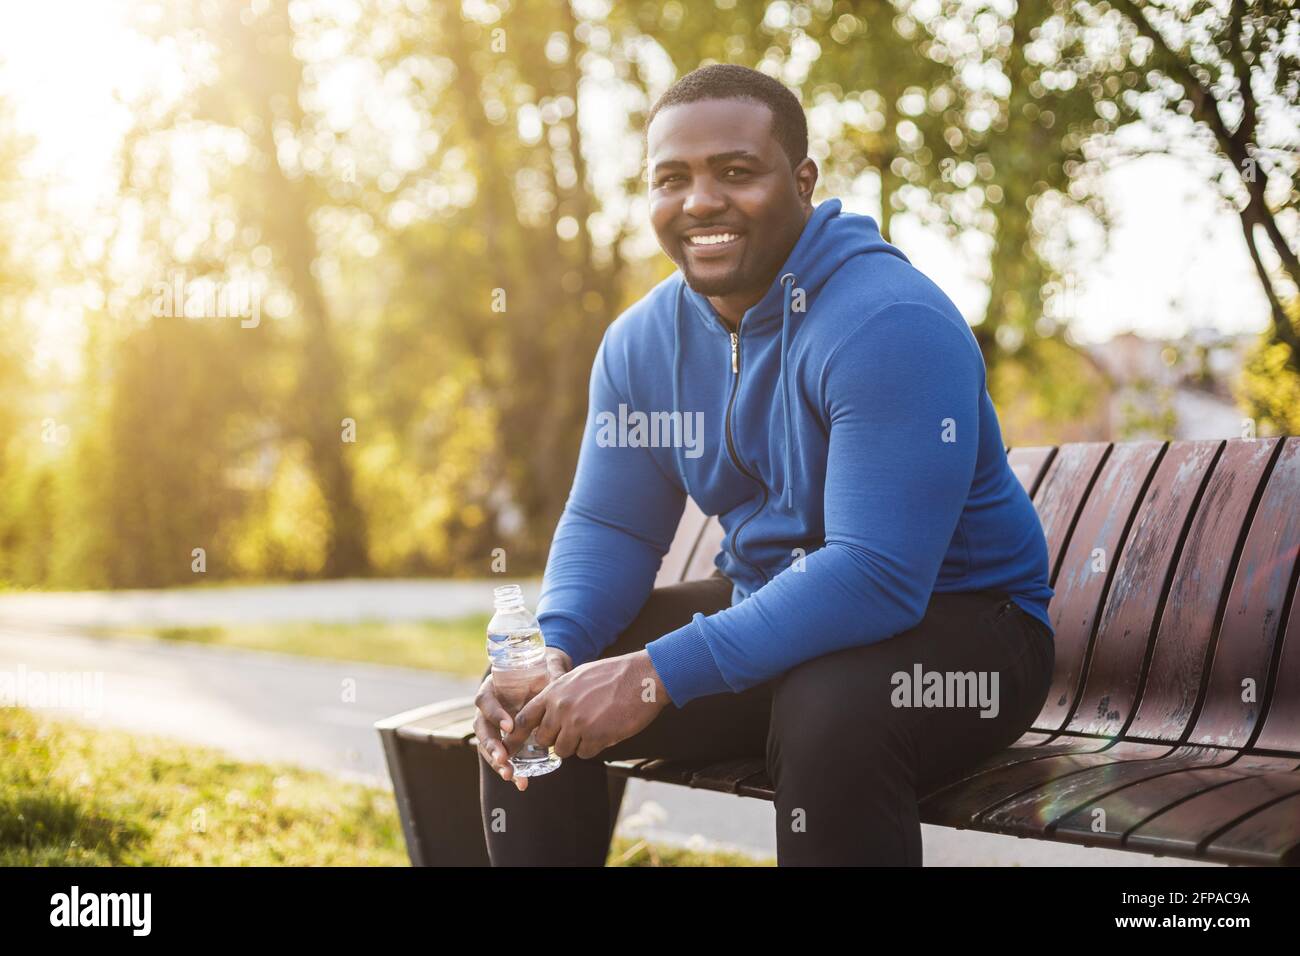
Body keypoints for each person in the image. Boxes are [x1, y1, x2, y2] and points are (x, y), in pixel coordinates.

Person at [475, 63, 1056, 866]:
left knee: (835, 707)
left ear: (803, 179)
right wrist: (558, 648)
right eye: (671, 179)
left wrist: (654, 676)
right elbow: (610, 523)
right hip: (777, 606)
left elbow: (877, 574)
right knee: (530, 700)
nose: (701, 201)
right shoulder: (641, 344)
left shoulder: (889, 322)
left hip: (966, 627)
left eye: (736, 173)